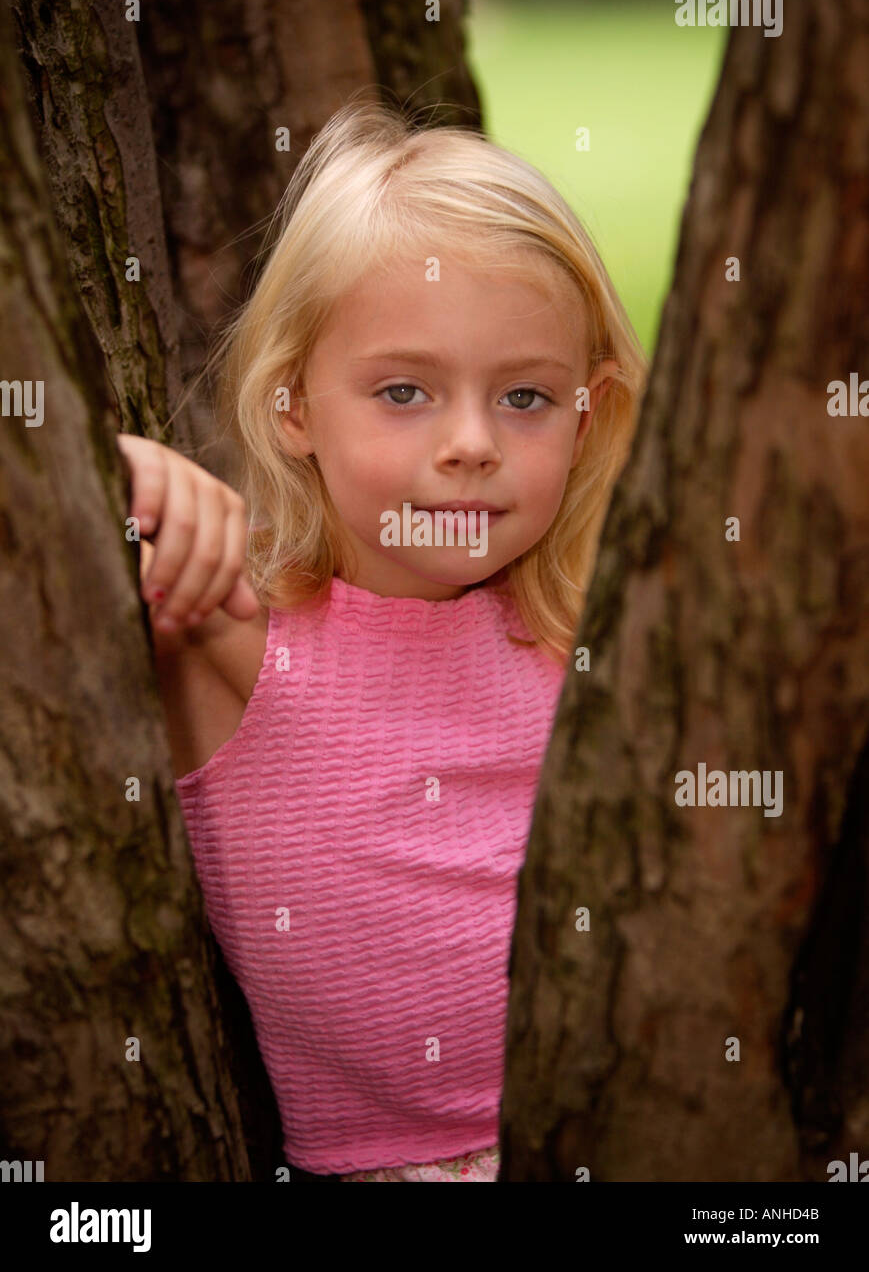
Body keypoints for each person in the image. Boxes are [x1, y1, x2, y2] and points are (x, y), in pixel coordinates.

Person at [116, 99, 647, 1181]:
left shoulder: (590, 631)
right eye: (403, 391)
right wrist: (127, 473)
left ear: (587, 414)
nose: (468, 446)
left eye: (525, 398)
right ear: (290, 408)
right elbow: (53, 526)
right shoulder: (238, 632)